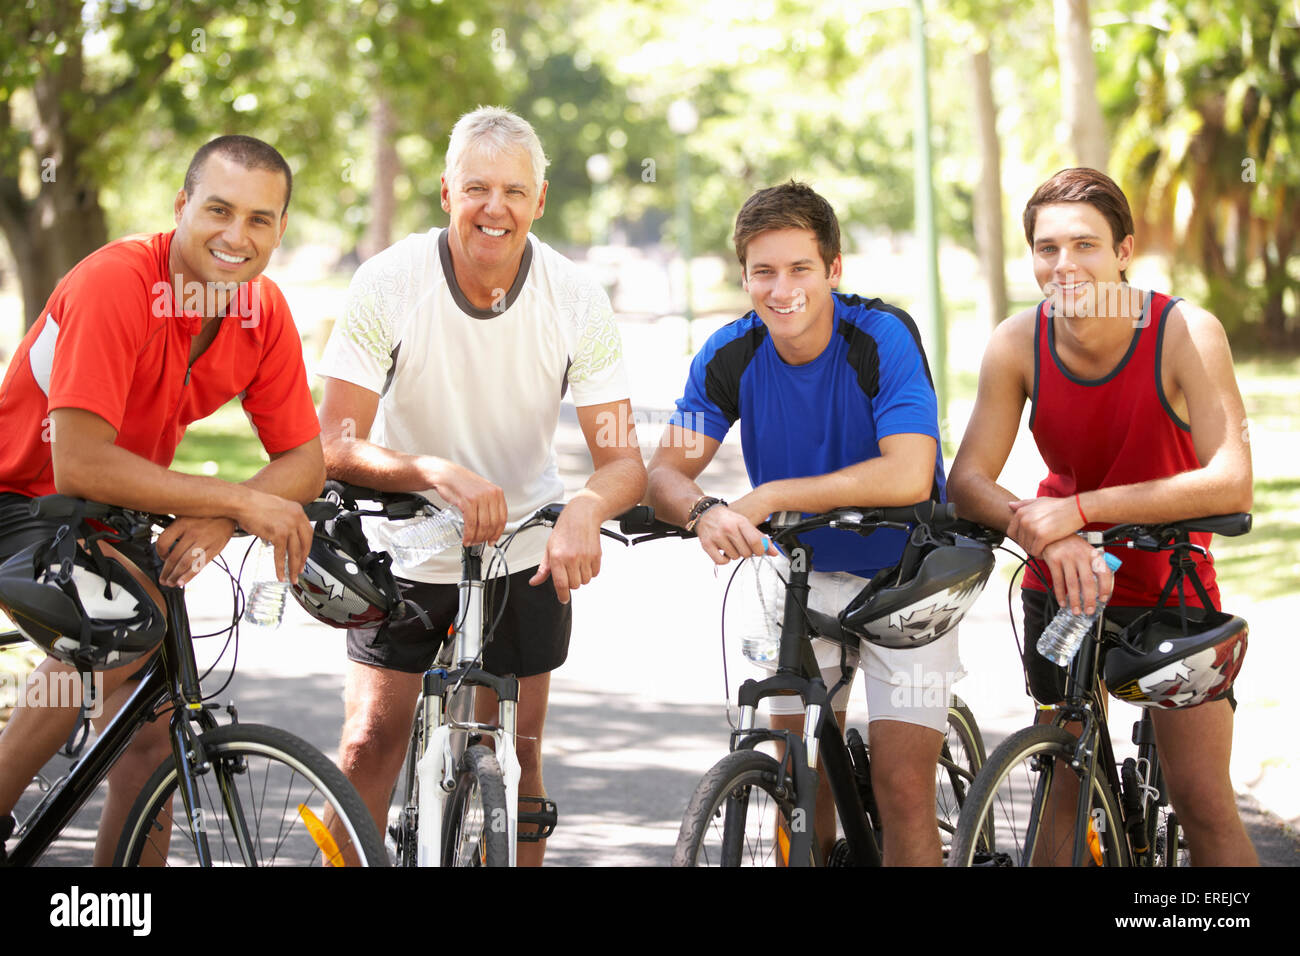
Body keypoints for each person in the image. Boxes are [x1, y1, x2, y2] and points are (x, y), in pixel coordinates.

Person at [315, 106, 645, 866]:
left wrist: (587, 508)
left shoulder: (576, 296)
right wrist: (432, 472)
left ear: (539, 197)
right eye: (476, 189)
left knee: (518, 760)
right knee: (370, 742)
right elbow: (333, 444)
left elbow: (623, 459)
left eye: (513, 191)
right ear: (444, 194)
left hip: (523, 549)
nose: (494, 208)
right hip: (404, 541)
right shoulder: (390, 280)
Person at [0, 135, 323, 864]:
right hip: (21, 496)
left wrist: (219, 511)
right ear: (181, 206)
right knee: (122, 621)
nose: (237, 237)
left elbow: (306, 458)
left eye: (261, 220)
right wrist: (238, 501)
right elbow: (77, 462)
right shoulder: (115, 284)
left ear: (278, 229)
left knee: (151, 739)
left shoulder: (260, 311)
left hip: (108, 511)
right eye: (218, 209)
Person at [947, 166, 1257, 865]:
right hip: (1063, 579)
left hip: (1169, 585)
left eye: (1085, 245)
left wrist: (1079, 511)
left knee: (1203, 802)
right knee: (1062, 778)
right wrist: (1042, 530)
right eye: (1047, 248)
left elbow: (1233, 482)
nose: (1065, 264)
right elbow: (967, 479)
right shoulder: (1017, 342)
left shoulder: (1184, 332)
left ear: (1124, 251)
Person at [644, 181, 953, 866]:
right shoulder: (731, 352)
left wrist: (774, 494)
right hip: (801, 576)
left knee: (902, 789)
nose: (781, 289)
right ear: (745, 275)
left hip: (905, 575)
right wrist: (703, 510)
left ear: (833, 269)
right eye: (763, 272)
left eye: (799, 268)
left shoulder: (881, 335)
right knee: (797, 777)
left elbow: (908, 472)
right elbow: (665, 471)